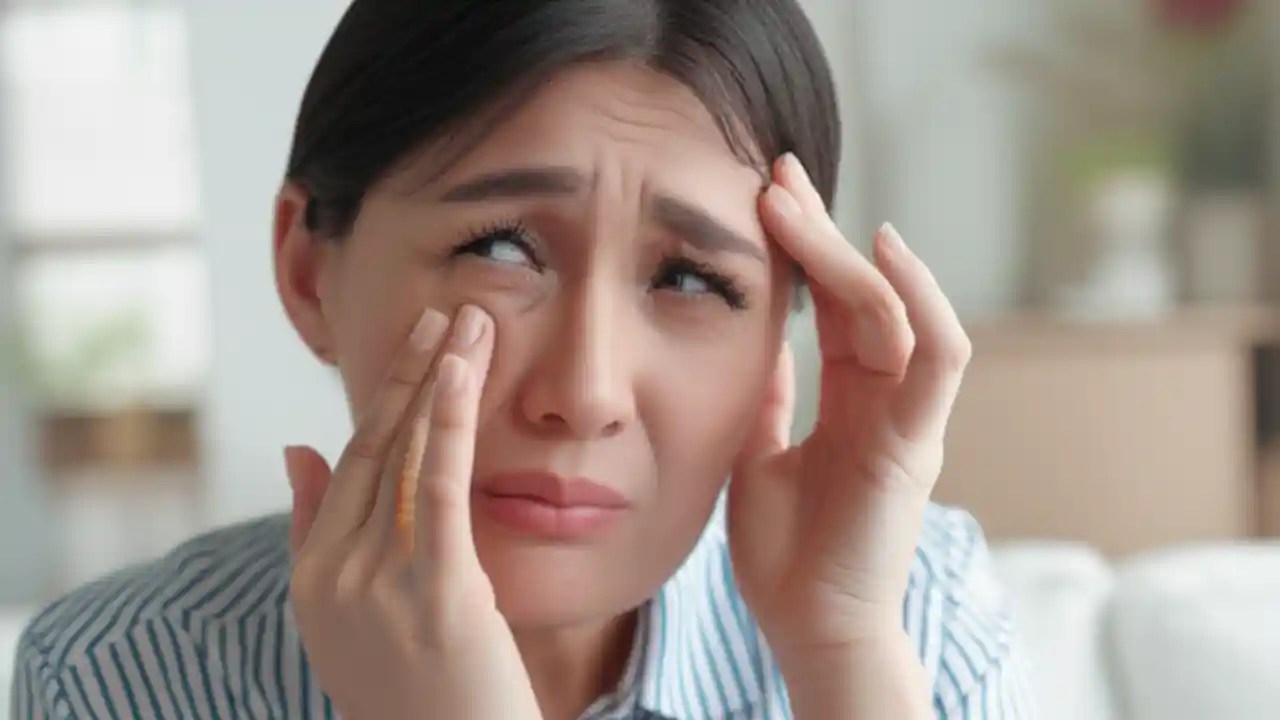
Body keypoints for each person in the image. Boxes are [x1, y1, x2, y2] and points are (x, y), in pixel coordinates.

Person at [11, 1, 1034, 718]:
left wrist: (839, 654)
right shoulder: (124, 677)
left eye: (689, 280)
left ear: (783, 327)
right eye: (499, 249)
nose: (583, 395)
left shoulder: (910, 612)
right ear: (308, 271)